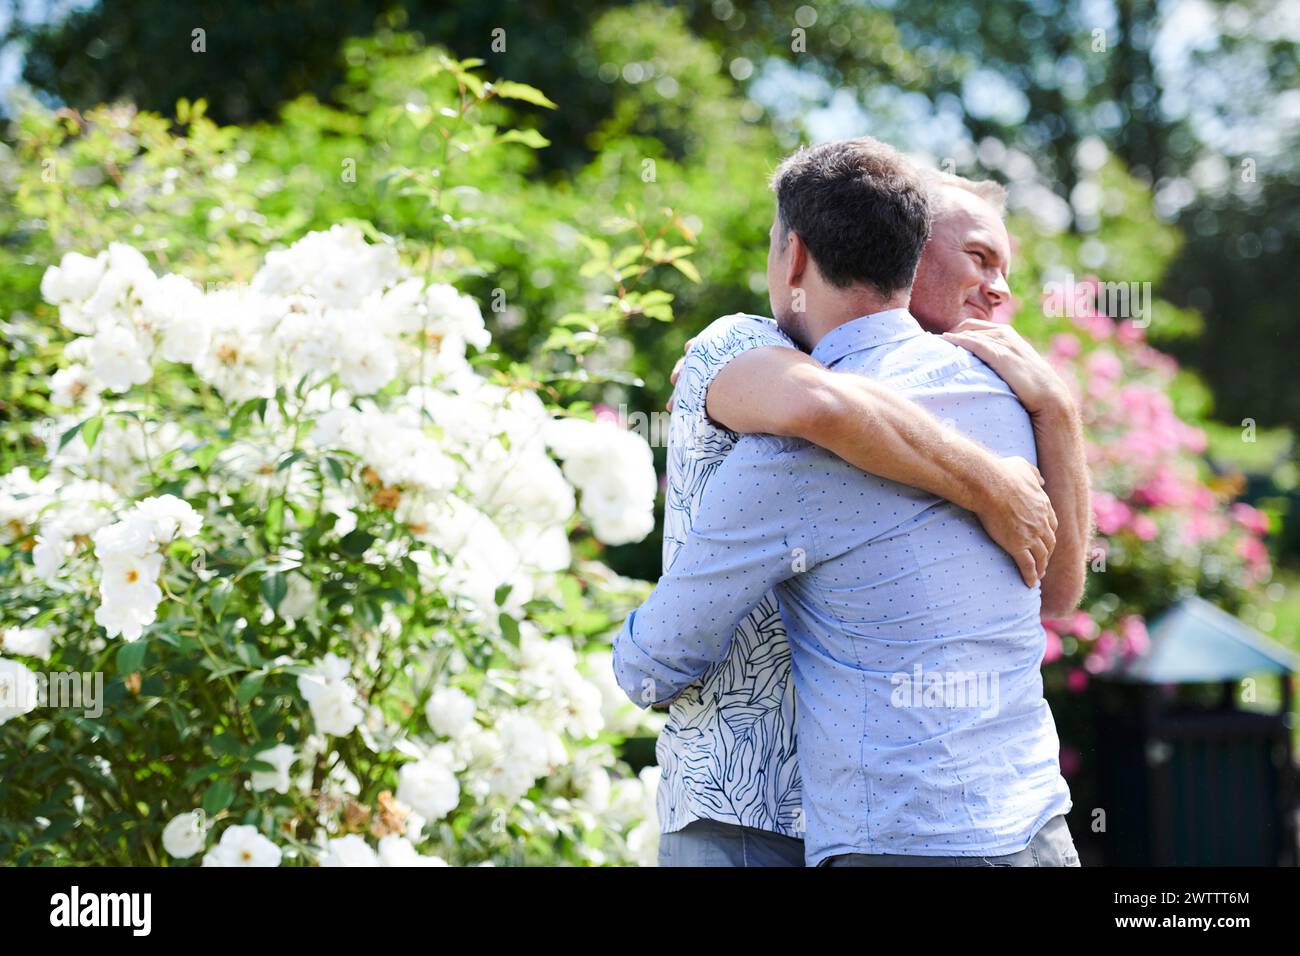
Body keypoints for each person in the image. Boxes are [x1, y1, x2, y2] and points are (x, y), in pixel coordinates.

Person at [615, 137, 1083, 867]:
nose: (998, 291)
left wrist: (1058, 411)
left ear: (793, 257)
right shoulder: (1003, 397)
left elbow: (656, 664)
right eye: (981, 259)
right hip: (1032, 830)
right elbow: (824, 402)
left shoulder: (788, 451)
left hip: (889, 837)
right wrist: (997, 473)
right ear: (912, 251)